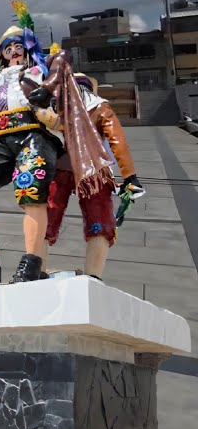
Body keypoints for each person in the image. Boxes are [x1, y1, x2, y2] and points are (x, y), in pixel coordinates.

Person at [0, 16, 114, 287]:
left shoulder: (39, 71)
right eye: (7, 50)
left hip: (34, 133)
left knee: (31, 187)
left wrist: (46, 89)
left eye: (18, 48)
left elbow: (63, 59)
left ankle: (31, 263)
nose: (13, 53)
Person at [44, 74, 146, 279]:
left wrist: (130, 176)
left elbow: (116, 141)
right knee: (96, 217)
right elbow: (117, 141)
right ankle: (93, 275)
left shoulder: (62, 109)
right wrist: (129, 175)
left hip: (71, 166)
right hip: (90, 167)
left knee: (49, 215)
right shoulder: (97, 107)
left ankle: (37, 266)